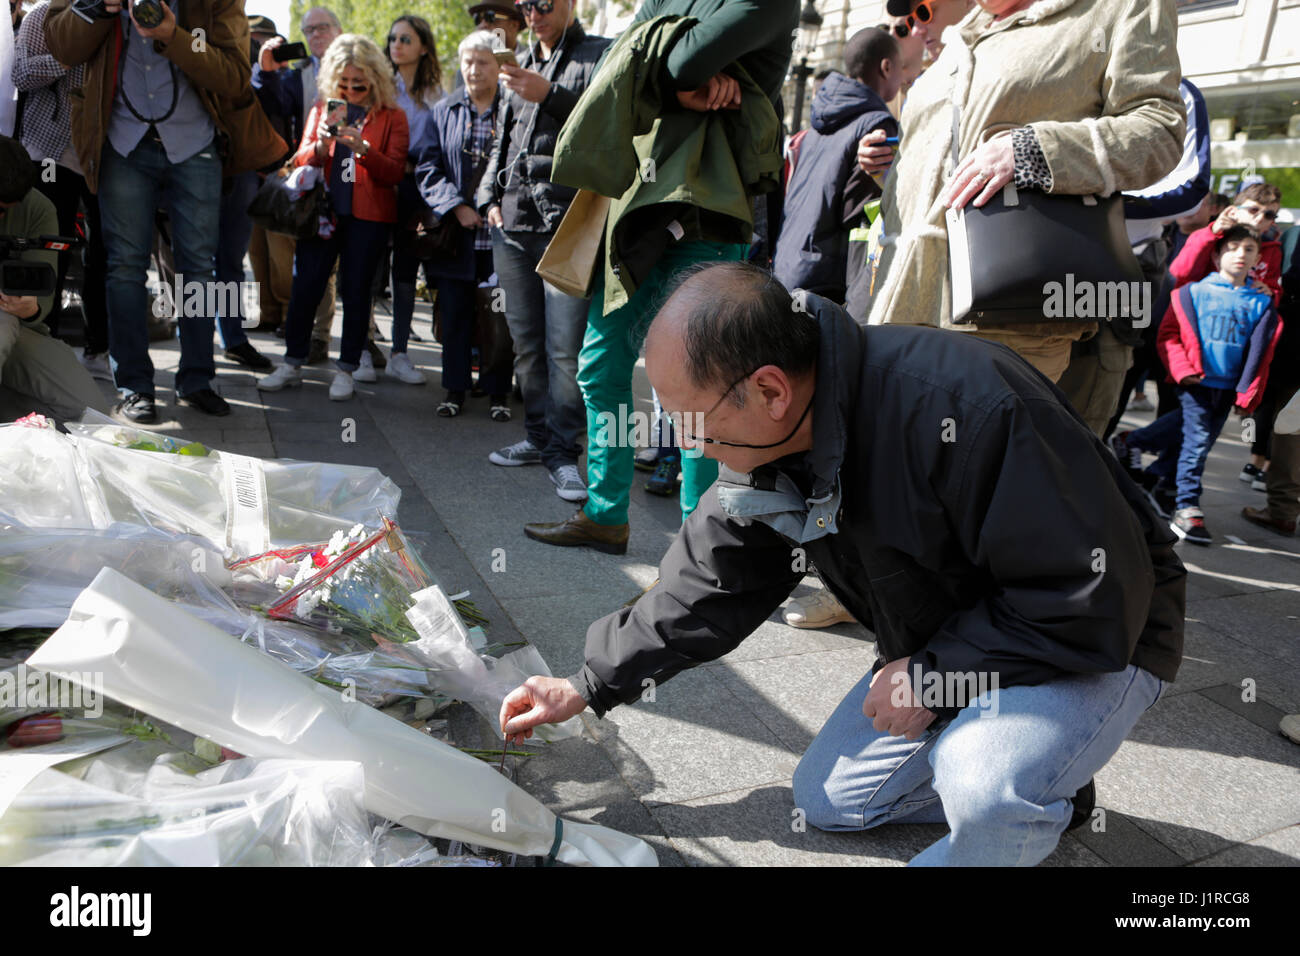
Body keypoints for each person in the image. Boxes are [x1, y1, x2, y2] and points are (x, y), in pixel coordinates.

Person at [499, 261, 1186, 867]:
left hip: (1098, 637)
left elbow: (1089, 589)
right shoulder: (774, 438)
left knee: (981, 788)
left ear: (769, 391)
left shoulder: (968, 406)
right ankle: (1052, 788)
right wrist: (587, 684)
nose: (683, 442)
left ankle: (1021, 788)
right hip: (954, 635)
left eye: (689, 420)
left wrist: (935, 676)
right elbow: (708, 582)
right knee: (829, 800)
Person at [522, 0, 797, 555]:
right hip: (638, 208)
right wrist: (677, 83)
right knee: (600, 366)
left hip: (710, 216)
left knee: (702, 385)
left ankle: (698, 545)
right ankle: (605, 515)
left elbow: (677, 63)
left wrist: (667, 75)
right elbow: (612, 67)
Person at [863, 0, 1185, 385]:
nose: (917, 22)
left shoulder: (1120, 7)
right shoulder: (967, 31)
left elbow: (1159, 132)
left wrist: (1033, 151)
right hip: (899, 308)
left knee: (973, 444)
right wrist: (893, 172)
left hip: (999, 325)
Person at [45, 0, 286, 424]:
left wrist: (174, 37)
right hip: (121, 143)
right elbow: (61, 45)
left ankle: (197, 379)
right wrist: (99, 8)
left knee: (198, 267)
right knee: (123, 267)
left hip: (195, 145)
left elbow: (233, 77)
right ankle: (134, 386)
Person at [475, 0, 609, 501]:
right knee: (526, 345)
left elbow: (609, 125)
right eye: (526, 4)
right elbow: (501, 141)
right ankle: (536, 438)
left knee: (564, 351)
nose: (535, 12)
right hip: (511, 222)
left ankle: (562, 453)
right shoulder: (521, 59)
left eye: (546, 2)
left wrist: (551, 94)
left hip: (567, 223)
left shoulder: (598, 54)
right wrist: (487, 195)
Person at [256, 35, 408, 402]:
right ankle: (292, 363)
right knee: (305, 286)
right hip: (322, 213)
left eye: (360, 84)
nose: (352, 90)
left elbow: (394, 173)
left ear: (375, 79)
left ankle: (347, 369)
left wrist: (364, 150)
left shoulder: (392, 115)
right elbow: (302, 158)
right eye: (344, 83)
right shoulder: (324, 108)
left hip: (368, 217)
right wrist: (324, 145)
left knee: (357, 293)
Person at [1059, 77, 1211, 438]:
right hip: (1045, 266)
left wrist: (1100, 203)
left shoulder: (1177, 91)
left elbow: (1190, 188)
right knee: (1025, 394)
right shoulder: (1065, 73)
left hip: (1123, 272)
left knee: (1088, 415)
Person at [1111, 226, 1281, 543]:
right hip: (1195, 382)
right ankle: (1186, 504)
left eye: (1248, 249)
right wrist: (1183, 370)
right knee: (1197, 443)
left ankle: (1134, 446)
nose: (1241, 254)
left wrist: (1247, 391)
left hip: (1228, 387)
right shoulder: (1194, 293)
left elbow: (1261, 350)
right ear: (1217, 255)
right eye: (1233, 247)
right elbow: (1169, 336)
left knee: (1185, 431)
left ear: (1258, 257)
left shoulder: (1261, 301)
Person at [773, 28, 911, 303]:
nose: (904, 77)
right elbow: (859, 215)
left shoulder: (817, 125)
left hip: (787, 264)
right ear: (886, 67)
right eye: (901, 68)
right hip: (829, 280)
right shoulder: (876, 124)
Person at [12, 0, 109, 381]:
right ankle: (45, 345)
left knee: (104, 254)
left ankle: (98, 348)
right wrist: (66, 57)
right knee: (51, 250)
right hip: (48, 155)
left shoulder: (114, 19)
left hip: (101, 153)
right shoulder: (43, 16)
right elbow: (21, 75)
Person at [413, 32, 506, 418]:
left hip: (501, 237)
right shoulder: (443, 110)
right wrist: (456, 207)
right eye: (467, 61)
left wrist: (499, 206)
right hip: (457, 236)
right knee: (454, 315)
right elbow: (427, 168)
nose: (473, 69)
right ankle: (454, 390)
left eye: (483, 61)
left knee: (499, 320)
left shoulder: (514, 109)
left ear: (499, 67)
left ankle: (500, 393)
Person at [252, 6, 343, 365]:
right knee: (313, 260)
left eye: (322, 27)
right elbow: (271, 102)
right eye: (308, 30)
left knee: (355, 264)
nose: (315, 35)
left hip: (355, 173)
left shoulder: (359, 67)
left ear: (337, 30)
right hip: (308, 173)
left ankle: (362, 341)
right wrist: (266, 71)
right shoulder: (297, 75)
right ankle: (313, 339)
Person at [0, 134, 109, 421]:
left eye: (7, 210)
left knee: (92, 415)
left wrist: (31, 307)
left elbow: (41, 294)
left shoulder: (37, 208)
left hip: (16, 329)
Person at [382, 13, 443, 386]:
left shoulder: (438, 92)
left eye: (406, 39)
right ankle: (359, 351)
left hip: (421, 187)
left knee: (411, 272)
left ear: (423, 47)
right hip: (380, 183)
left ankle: (399, 352)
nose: (397, 45)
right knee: (370, 269)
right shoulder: (379, 87)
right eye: (392, 39)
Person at [1242, 220, 1299, 536]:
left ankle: (1283, 510)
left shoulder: (1294, 236)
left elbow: (1292, 281)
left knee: (1289, 430)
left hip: (1291, 354)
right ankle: (1283, 509)